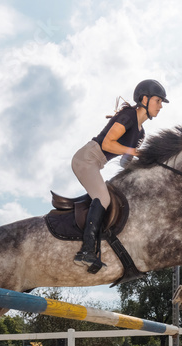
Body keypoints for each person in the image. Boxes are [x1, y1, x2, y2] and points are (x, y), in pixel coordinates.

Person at [70, 79, 168, 269]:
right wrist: (135, 152)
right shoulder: (128, 116)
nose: (161, 106)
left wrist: (146, 164)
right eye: (158, 101)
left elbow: (124, 161)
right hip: (87, 157)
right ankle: (86, 252)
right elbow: (107, 144)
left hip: (97, 163)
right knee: (103, 198)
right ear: (145, 99)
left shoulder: (141, 133)